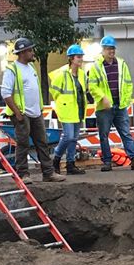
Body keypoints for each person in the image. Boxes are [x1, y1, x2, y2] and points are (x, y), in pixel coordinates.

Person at [0, 38, 63, 182]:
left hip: (36, 112)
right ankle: (23, 174)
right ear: (22, 52)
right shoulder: (12, 70)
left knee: (42, 143)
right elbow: (5, 93)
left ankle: (48, 173)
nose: (32, 53)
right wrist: (17, 113)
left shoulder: (31, 68)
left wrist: (39, 110)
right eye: (30, 50)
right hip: (22, 114)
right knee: (23, 144)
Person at [85, 35, 134, 172]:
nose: (111, 51)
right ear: (103, 50)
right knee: (104, 135)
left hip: (120, 105)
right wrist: (103, 98)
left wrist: (126, 99)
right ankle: (107, 161)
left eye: (113, 49)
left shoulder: (121, 64)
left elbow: (128, 84)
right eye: (109, 49)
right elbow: (92, 86)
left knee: (125, 133)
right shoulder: (96, 67)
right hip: (104, 107)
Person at [49, 45, 88, 175]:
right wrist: (63, 103)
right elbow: (54, 91)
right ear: (71, 59)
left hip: (78, 109)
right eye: (78, 57)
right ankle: (57, 158)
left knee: (74, 138)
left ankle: (70, 164)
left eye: (81, 56)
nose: (81, 59)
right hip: (66, 110)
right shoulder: (62, 73)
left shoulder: (82, 74)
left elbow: (82, 92)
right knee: (68, 136)